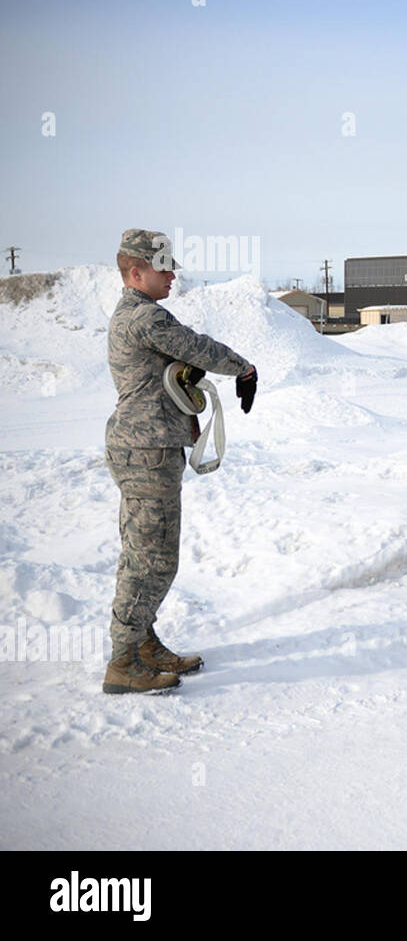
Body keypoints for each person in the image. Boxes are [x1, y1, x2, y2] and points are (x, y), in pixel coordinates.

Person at [102, 228, 258, 694]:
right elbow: (198, 345)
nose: (172, 275)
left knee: (148, 554)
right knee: (150, 560)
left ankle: (143, 644)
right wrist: (244, 368)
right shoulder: (144, 318)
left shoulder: (138, 317)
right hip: (145, 452)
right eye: (163, 267)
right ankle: (124, 661)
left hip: (149, 448)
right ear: (136, 271)